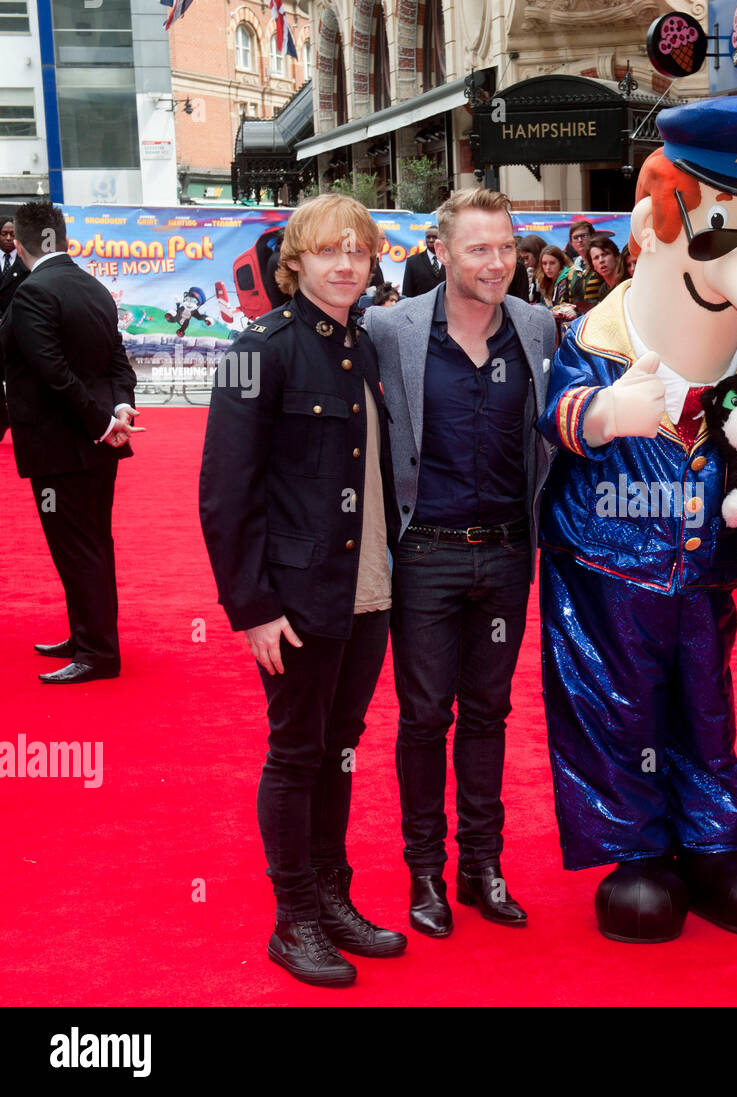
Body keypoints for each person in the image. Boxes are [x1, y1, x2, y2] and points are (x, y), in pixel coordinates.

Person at [539, 96, 737, 944]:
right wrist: (601, 414)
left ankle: (710, 844)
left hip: (704, 573)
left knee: (706, 708)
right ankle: (635, 850)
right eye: (720, 225)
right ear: (661, 216)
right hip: (607, 570)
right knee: (617, 707)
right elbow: (558, 411)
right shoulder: (597, 336)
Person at [198, 193, 406, 987]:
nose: (346, 263)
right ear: (296, 261)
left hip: (370, 588)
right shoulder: (263, 348)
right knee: (296, 752)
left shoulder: (366, 344)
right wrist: (252, 606)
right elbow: (225, 492)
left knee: (342, 746)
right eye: (328, 251)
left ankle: (331, 896)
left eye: (358, 249)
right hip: (296, 597)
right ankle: (293, 918)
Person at [363, 188, 556, 939]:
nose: (497, 261)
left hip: (509, 554)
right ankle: (424, 874)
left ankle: (482, 866)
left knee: (489, 714)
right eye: (479, 248)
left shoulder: (537, 326)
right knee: (422, 716)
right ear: (441, 253)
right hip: (425, 556)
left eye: (506, 246)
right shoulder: (391, 327)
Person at [0, 202, 141, 684]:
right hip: (97, 444)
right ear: (61, 239)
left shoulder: (34, 291)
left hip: (63, 448)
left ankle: (98, 653)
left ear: (19, 244)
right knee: (93, 544)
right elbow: (118, 362)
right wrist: (121, 409)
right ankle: (87, 636)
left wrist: (104, 420)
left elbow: (52, 373)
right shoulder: (93, 286)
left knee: (78, 549)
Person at [0, 216, 30, 442]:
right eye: (4, 234)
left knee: (17, 379)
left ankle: (20, 422)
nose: (9, 238)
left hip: (15, 329)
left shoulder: (26, 263)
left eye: (13, 234)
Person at [575, 233, 624, 313]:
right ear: (593, 265)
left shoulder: (626, 283)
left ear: (616, 256)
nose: (601, 260)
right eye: (596, 258)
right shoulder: (603, 289)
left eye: (604, 255)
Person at [402, 227, 446, 298]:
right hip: (420, 307)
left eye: (434, 237)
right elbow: (407, 292)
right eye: (428, 237)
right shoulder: (413, 261)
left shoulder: (450, 260)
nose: (431, 240)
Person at [517, 234, 545, 303]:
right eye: (523, 259)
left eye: (527, 258)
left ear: (536, 253)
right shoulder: (531, 273)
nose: (525, 262)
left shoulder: (549, 272)